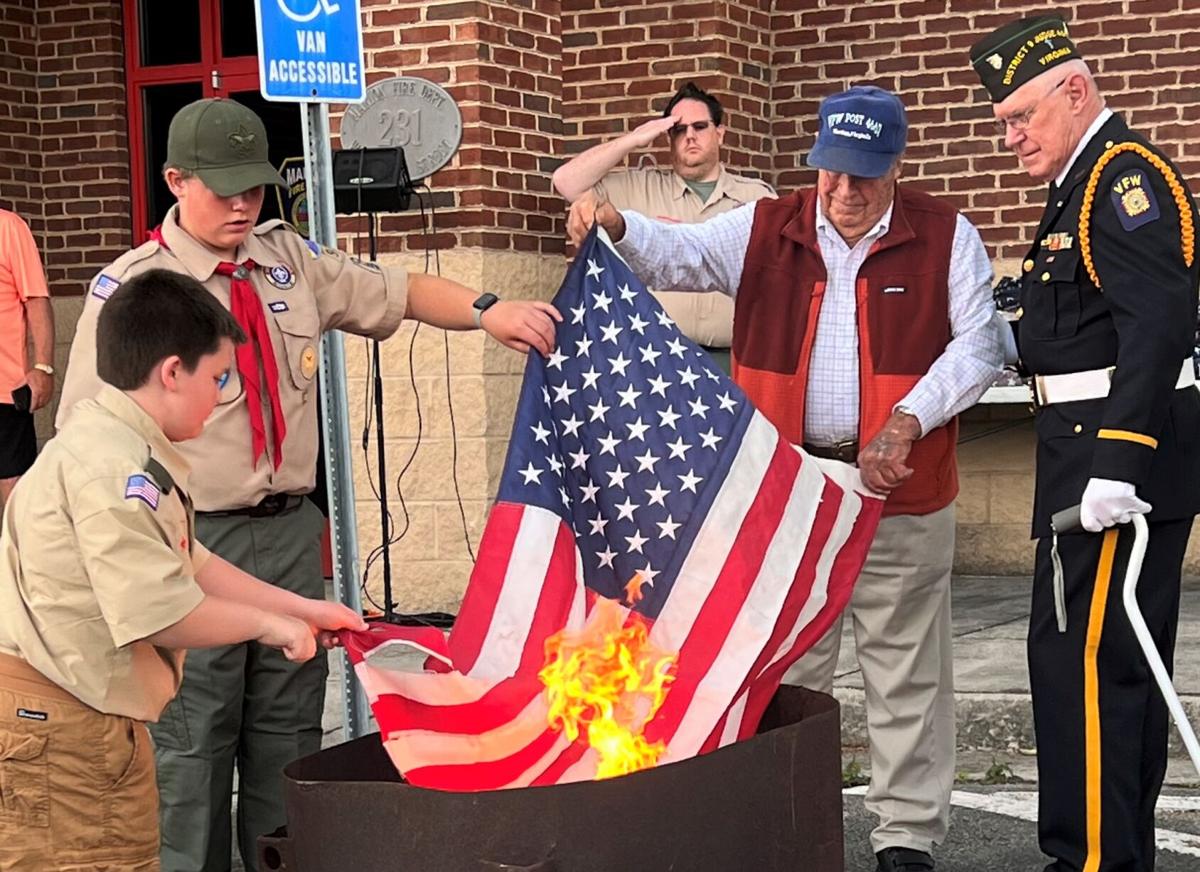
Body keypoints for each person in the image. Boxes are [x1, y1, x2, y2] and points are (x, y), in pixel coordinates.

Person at [55, 98, 561, 872]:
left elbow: (397, 290)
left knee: (289, 740)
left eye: (254, 186)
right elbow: (83, 442)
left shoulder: (286, 259)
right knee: (191, 747)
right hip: (191, 543)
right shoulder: (135, 290)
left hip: (290, 534)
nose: (242, 204)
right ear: (176, 181)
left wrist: (489, 309)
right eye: (224, 187)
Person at [590, 86, 1004, 872]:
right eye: (831, 171)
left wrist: (908, 420)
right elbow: (678, 252)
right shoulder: (765, 225)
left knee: (907, 669)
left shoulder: (948, 234)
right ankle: (789, 824)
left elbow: (980, 345)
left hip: (901, 489)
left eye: (863, 175)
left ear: (896, 165)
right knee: (785, 665)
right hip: (789, 491)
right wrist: (616, 224)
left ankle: (906, 839)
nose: (843, 191)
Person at [0, 269, 367, 871]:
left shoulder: (122, 445)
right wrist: (271, 628)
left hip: (81, 717)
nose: (223, 396)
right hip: (62, 730)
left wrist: (301, 608)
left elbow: (190, 564)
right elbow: (157, 612)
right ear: (172, 372)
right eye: (218, 378)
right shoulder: (113, 471)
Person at [970, 16, 1200, 872]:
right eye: (1003, 121)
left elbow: (1159, 327)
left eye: (1022, 114)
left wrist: (1117, 464)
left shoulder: (1121, 177)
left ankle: (1090, 861)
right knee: (1109, 672)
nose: (1012, 135)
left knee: (1087, 671)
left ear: (1075, 91)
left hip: (1108, 472)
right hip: (1086, 459)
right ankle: (1113, 856)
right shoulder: (1080, 182)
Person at [552, 81, 775, 371]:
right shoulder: (641, 188)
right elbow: (566, 182)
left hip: (732, 361)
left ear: (720, 133)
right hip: (659, 364)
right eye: (679, 130)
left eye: (700, 126)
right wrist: (634, 139)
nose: (690, 136)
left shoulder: (756, 198)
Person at [0, 208, 53, 505]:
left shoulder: (8, 227)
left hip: (5, 390)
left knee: (16, 492)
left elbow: (36, 299)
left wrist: (43, 367)